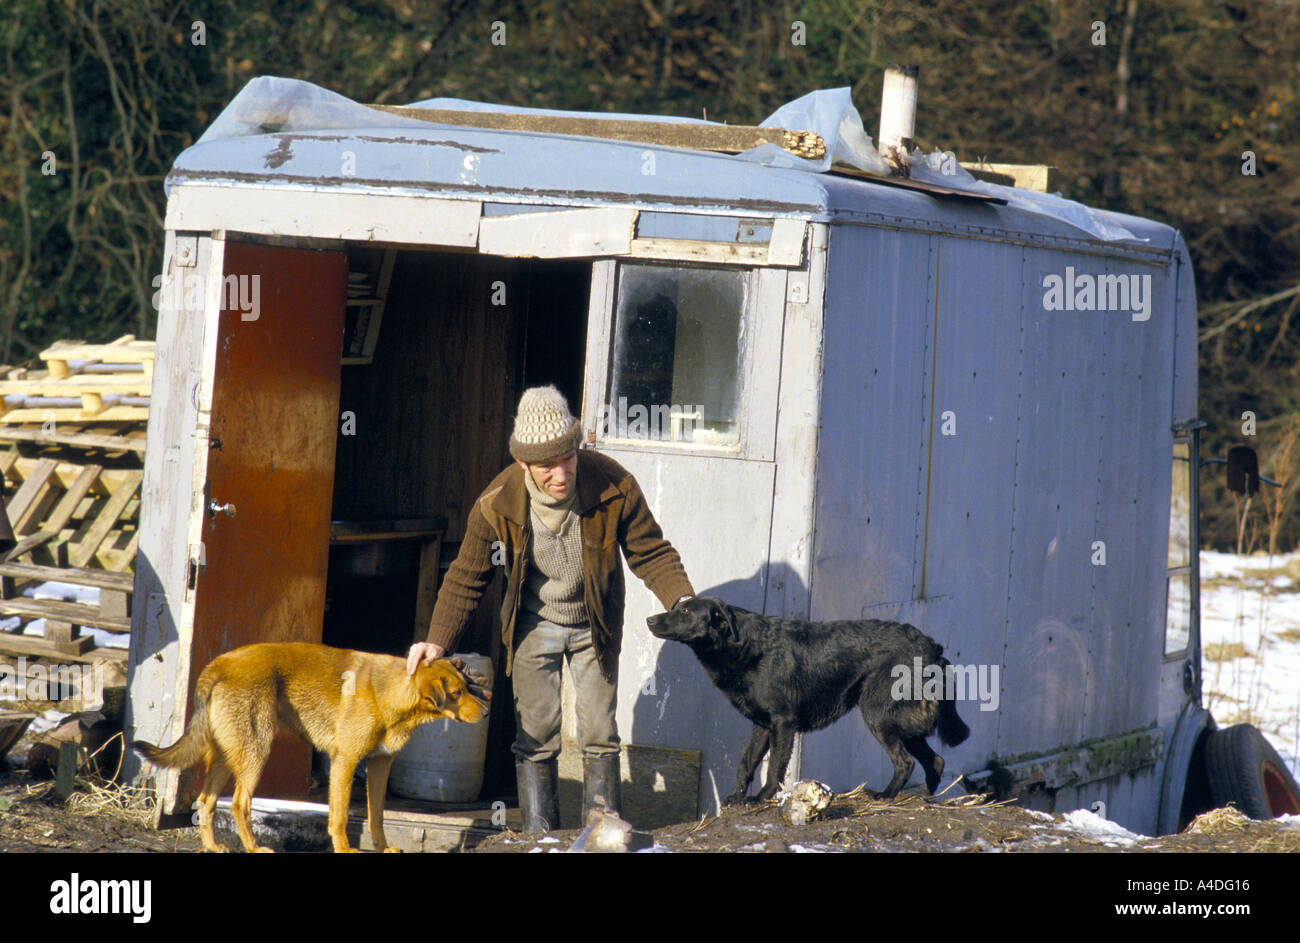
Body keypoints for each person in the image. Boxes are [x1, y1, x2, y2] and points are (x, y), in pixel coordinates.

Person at [407, 385, 694, 831]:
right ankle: (539, 835)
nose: (560, 475)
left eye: (568, 459)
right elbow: (467, 576)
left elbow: (650, 552)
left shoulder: (613, 485)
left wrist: (683, 601)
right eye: (546, 466)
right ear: (523, 463)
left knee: (600, 732)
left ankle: (603, 833)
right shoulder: (496, 501)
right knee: (536, 735)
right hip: (532, 624)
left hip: (593, 625)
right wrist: (436, 640)